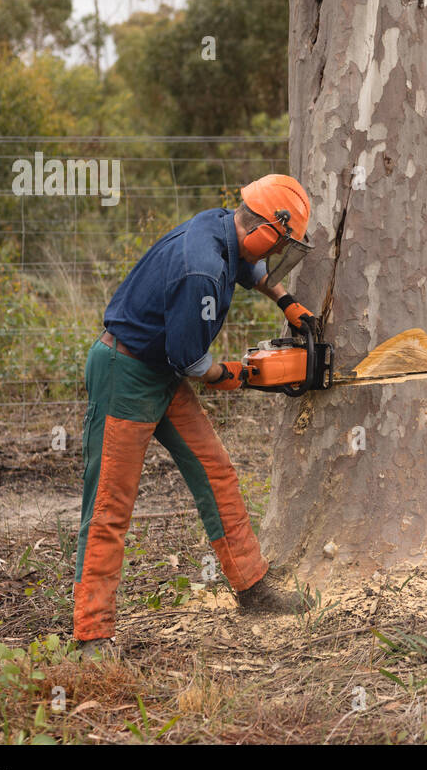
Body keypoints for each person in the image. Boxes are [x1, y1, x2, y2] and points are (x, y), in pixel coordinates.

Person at [73, 174, 315, 659]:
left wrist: (286, 302)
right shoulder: (200, 269)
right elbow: (193, 363)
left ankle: (253, 589)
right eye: (280, 244)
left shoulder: (221, 228)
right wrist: (245, 375)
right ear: (265, 233)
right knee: (109, 507)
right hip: (127, 373)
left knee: (216, 472)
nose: (277, 253)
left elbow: (250, 271)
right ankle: (91, 636)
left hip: (160, 372)